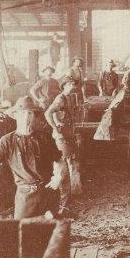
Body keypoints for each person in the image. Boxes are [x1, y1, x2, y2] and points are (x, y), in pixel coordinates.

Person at [0, 96, 64, 220]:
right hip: (25, 196)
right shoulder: (7, 141)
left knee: (50, 232)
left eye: (30, 113)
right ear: (16, 115)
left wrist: (58, 177)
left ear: (34, 116)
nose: (26, 117)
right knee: (22, 232)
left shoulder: (44, 138)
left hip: (48, 192)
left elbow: (59, 160)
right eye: (22, 114)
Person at [44, 77, 79, 217]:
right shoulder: (61, 99)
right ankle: (51, 206)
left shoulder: (68, 97)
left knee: (67, 172)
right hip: (61, 138)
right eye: (70, 84)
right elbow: (48, 113)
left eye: (73, 84)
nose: (72, 86)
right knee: (61, 173)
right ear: (64, 85)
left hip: (67, 137)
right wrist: (55, 127)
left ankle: (64, 208)